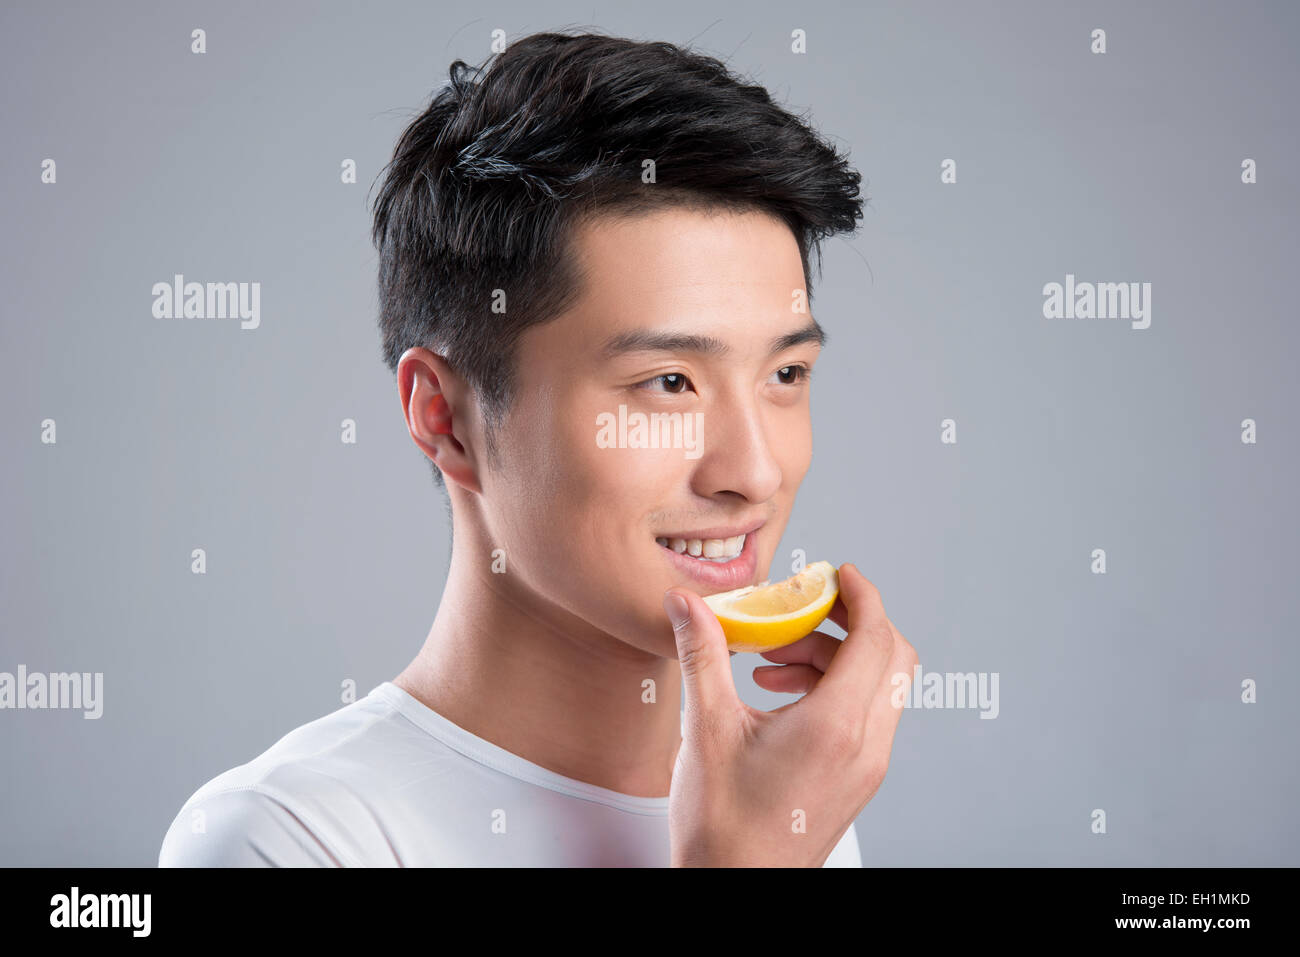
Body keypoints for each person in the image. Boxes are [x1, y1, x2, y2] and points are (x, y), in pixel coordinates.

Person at [159, 30, 917, 868]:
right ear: (444, 417)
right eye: (668, 381)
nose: (755, 471)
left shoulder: (796, 808)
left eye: (785, 370)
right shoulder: (288, 837)